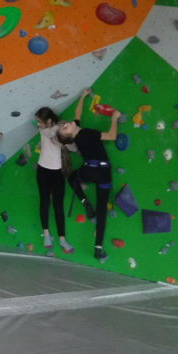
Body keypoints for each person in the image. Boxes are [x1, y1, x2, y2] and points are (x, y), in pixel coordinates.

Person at [56, 88, 121, 260]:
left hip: (90, 171)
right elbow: (112, 136)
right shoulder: (87, 133)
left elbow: (77, 115)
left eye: (65, 124)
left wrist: (82, 97)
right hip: (102, 172)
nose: (66, 123)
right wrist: (114, 118)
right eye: (64, 127)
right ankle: (98, 245)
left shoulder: (78, 135)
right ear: (70, 133)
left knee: (71, 177)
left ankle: (85, 202)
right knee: (101, 210)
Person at [35, 106, 74, 254]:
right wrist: (61, 126)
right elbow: (51, 132)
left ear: (49, 120)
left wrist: (65, 127)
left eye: (40, 121)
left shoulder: (59, 129)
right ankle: (46, 233)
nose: (38, 124)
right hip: (43, 170)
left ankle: (62, 239)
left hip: (57, 172)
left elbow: (71, 145)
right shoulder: (45, 130)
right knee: (45, 201)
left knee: (58, 205)